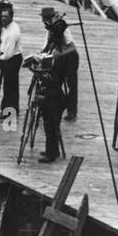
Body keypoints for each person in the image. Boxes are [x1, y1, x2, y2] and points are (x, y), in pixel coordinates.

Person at [28, 8, 78, 163]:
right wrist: (40, 55)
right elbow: (47, 46)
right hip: (55, 62)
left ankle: (71, 108)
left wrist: (56, 55)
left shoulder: (62, 29)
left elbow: (70, 47)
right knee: (49, 116)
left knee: (70, 85)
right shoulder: (50, 30)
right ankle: (52, 149)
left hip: (68, 59)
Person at [0, 4, 23, 119]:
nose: (3, 19)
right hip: (11, 56)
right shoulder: (8, 26)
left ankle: (8, 112)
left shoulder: (12, 32)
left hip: (12, 59)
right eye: (2, 17)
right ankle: (12, 110)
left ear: (11, 17)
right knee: (11, 86)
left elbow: (8, 54)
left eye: (5, 17)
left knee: (9, 87)